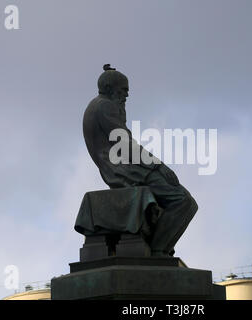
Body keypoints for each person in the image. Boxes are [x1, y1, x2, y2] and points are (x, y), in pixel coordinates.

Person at [83, 64, 198, 256]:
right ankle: (157, 250)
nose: (127, 95)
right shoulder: (104, 106)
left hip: (128, 168)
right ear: (110, 89)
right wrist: (159, 166)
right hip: (127, 171)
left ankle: (158, 248)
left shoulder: (99, 106)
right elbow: (125, 144)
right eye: (124, 90)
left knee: (187, 202)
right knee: (183, 201)